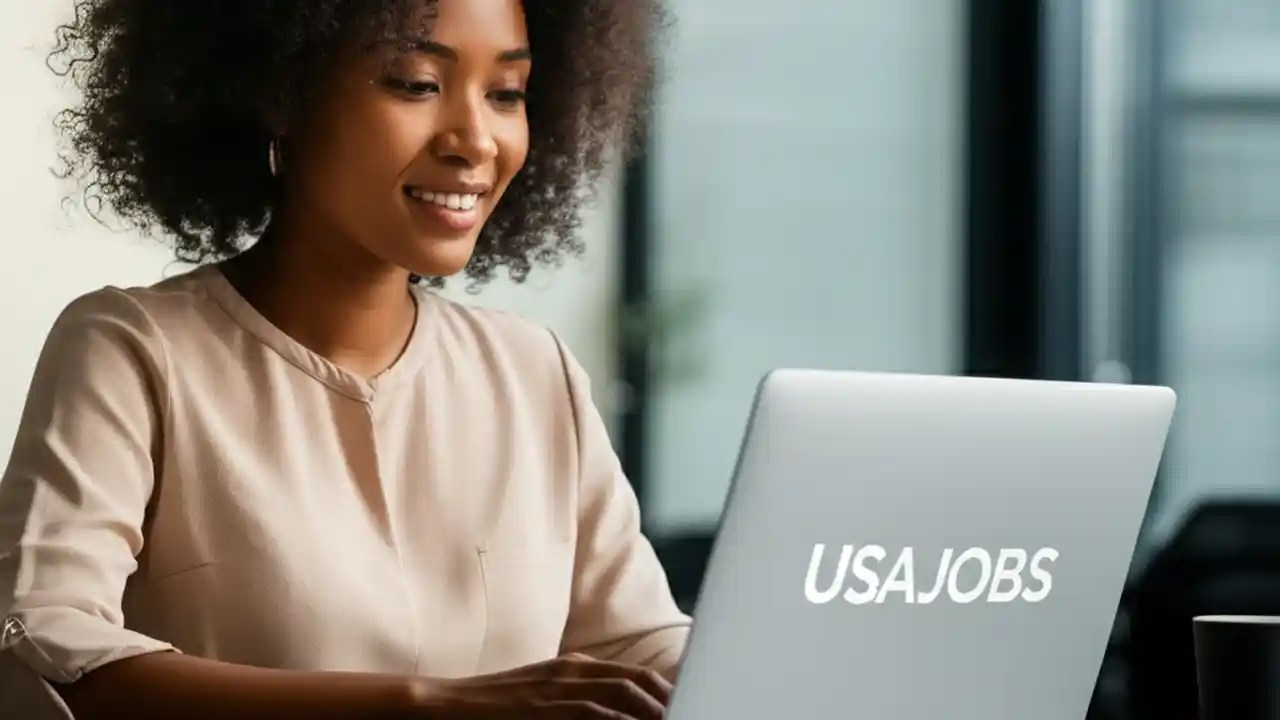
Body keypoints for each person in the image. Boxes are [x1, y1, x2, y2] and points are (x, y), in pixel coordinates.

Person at [0, 0, 690, 717]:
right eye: (418, 83)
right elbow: (45, 645)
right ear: (282, 92)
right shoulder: (133, 348)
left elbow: (644, 649)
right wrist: (428, 706)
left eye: (506, 94)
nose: (475, 140)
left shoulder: (532, 370)